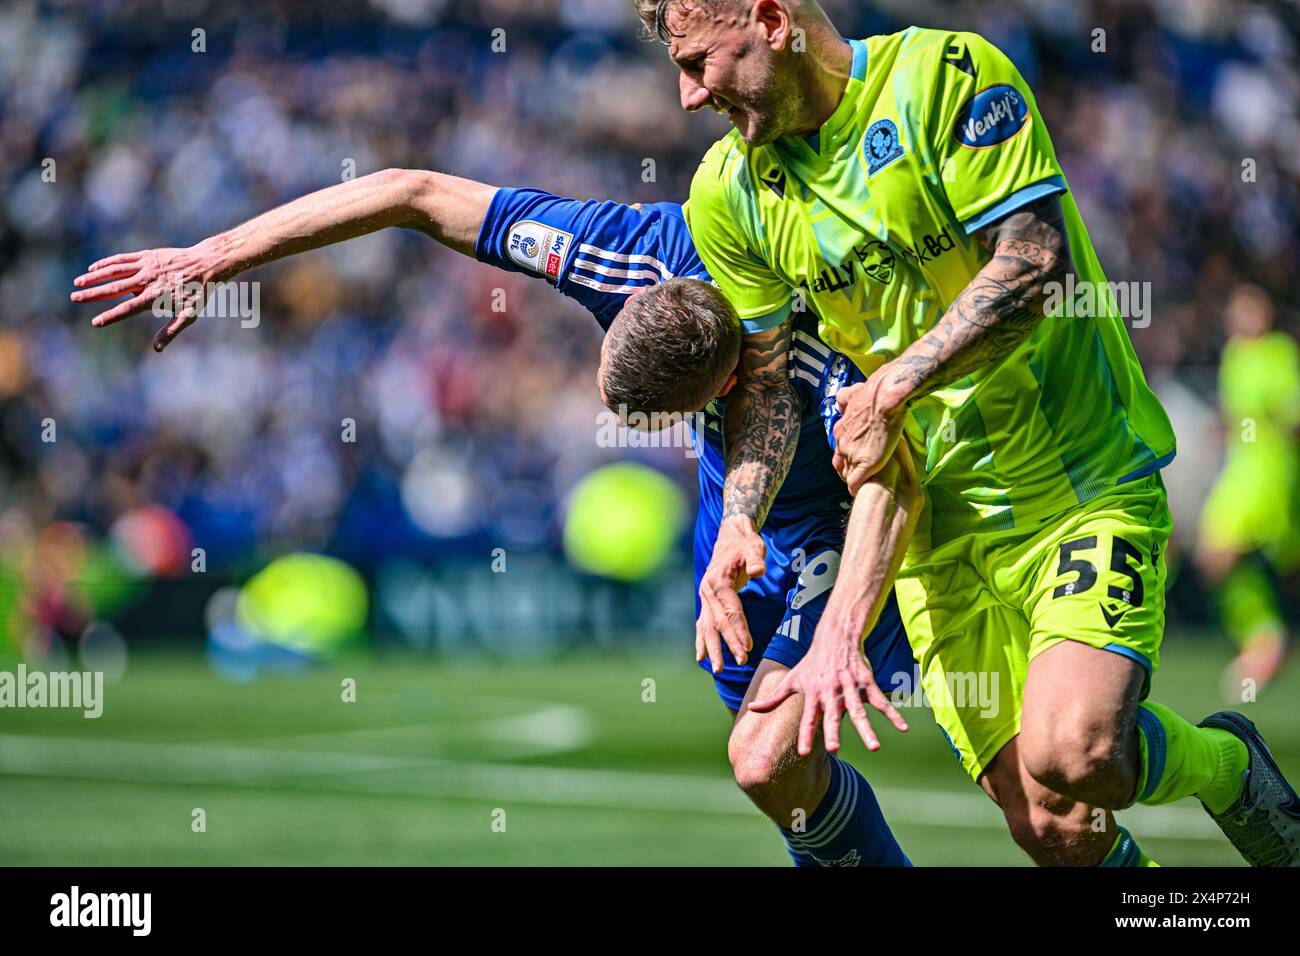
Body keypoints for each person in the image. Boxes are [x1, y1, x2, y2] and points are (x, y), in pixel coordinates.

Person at [71, 166, 918, 866]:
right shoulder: (621, 251)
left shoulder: (837, 352)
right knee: (777, 773)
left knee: (772, 756)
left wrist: (845, 615)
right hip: (742, 534)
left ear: (724, 387)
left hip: (842, 523)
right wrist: (221, 253)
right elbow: (413, 192)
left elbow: (895, 475)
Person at [630, 0, 1300, 866]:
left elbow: (1033, 264)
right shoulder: (729, 191)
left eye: (698, 64)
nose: (687, 97)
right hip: (934, 534)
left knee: (1080, 751)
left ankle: (1227, 767)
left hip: (1075, 486)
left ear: (768, 18)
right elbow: (761, 386)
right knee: (1058, 830)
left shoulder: (944, 79)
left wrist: (896, 385)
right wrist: (740, 517)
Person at [1196, 284, 1300, 700]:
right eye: (1237, 309)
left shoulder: (1278, 353)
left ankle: (1265, 635)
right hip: (1241, 470)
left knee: (1219, 553)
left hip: (1268, 472)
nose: (1243, 316)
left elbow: (1292, 415)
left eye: (1252, 308)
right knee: (1220, 559)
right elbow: (1237, 414)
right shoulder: (1235, 356)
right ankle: (1266, 637)